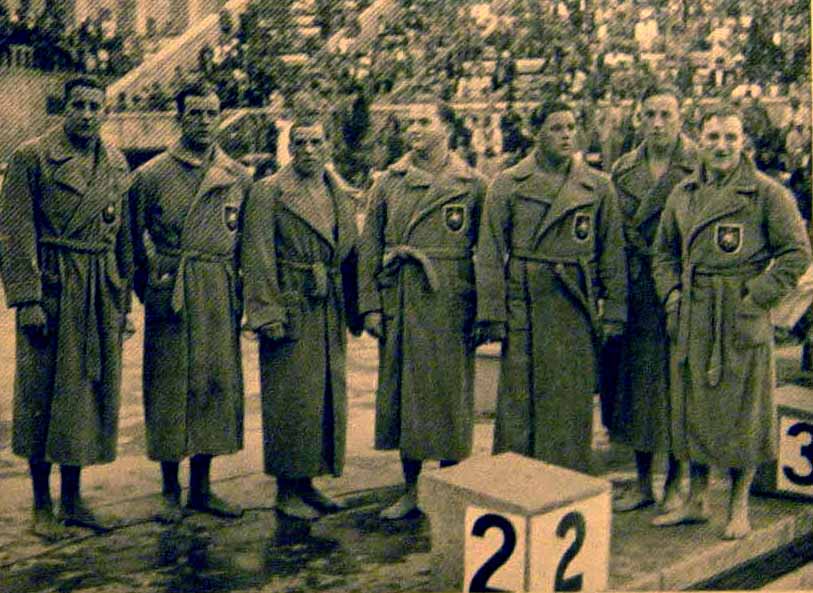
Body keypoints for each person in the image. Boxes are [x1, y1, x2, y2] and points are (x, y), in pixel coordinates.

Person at [652, 106, 811, 539]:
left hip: (739, 316)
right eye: (713, 137)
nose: (721, 146)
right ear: (699, 142)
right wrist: (672, 295)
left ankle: (738, 505)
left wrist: (755, 296)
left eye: (730, 138)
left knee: (743, 412)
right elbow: (663, 253)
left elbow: (797, 253)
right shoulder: (683, 193)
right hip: (693, 315)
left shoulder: (766, 193)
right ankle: (698, 499)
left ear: (744, 143)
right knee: (694, 408)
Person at [0, 75, 133, 538]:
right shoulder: (31, 156)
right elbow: (15, 233)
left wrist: (123, 299)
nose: (87, 114)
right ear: (64, 108)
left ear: (105, 111)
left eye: (96, 106)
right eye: (78, 105)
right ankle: (40, 506)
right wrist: (27, 298)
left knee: (84, 394)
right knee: (40, 394)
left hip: (98, 289)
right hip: (53, 289)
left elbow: (124, 238)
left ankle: (74, 499)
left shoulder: (116, 162)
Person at [475, 100, 627, 474]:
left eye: (571, 127)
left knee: (570, 397)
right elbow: (491, 252)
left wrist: (615, 311)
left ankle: (568, 478)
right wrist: (493, 314)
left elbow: (612, 253)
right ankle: (517, 480)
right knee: (520, 400)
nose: (566, 135)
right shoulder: (508, 183)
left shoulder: (598, 186)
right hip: (525, 302)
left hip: (575, 303)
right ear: (536, 132)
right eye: (556, 128)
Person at [358, 99, 487, 520]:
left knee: (451, 395)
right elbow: (369, 248)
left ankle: (453, 486)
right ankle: (411, 488)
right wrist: (370, 306)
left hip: (451, 300)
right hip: (404, 296)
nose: (413, 129)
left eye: (424, 121)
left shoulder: (473, 184)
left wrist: (486, 309)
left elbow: (486, 253)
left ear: (447, 128)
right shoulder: (389, 181)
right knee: (405, 394)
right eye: (409, 122)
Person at [129, 81, 250, 523]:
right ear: (178, 118)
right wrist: (151, 287)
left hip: (218, 289)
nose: (202, 121)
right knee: (169, 388)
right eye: (194, 113)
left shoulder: (237, 175)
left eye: (210, 113)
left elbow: (247, 244)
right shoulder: (152, 174)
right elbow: (130, 240)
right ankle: (168, 489)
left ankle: (203, 487)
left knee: (213, 388)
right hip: (173, 292)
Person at [241, 100, 362, 521]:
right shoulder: (269, 191)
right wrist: (266, 312)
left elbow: (350, 254)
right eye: (300, 142)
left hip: (327, 307)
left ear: (328, 146)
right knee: (290, 401)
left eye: (316, 141)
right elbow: (256, 256)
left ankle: (309, 482)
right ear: (289, 147)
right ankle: (285, 489)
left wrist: (359, 308)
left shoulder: (337, 192)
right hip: (291, 305)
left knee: (323, 398)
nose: (309, 149)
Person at [607, 85, 696, 513]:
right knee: (639, 387)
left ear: (681, 117)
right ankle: (643, 481)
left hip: (683, 288)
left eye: (666, 114)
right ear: (638, 119)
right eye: (650, 115)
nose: (657, 123)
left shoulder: (699, 164)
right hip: (638, 289)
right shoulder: (623, 168)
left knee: (680, 385)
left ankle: (678, 482)